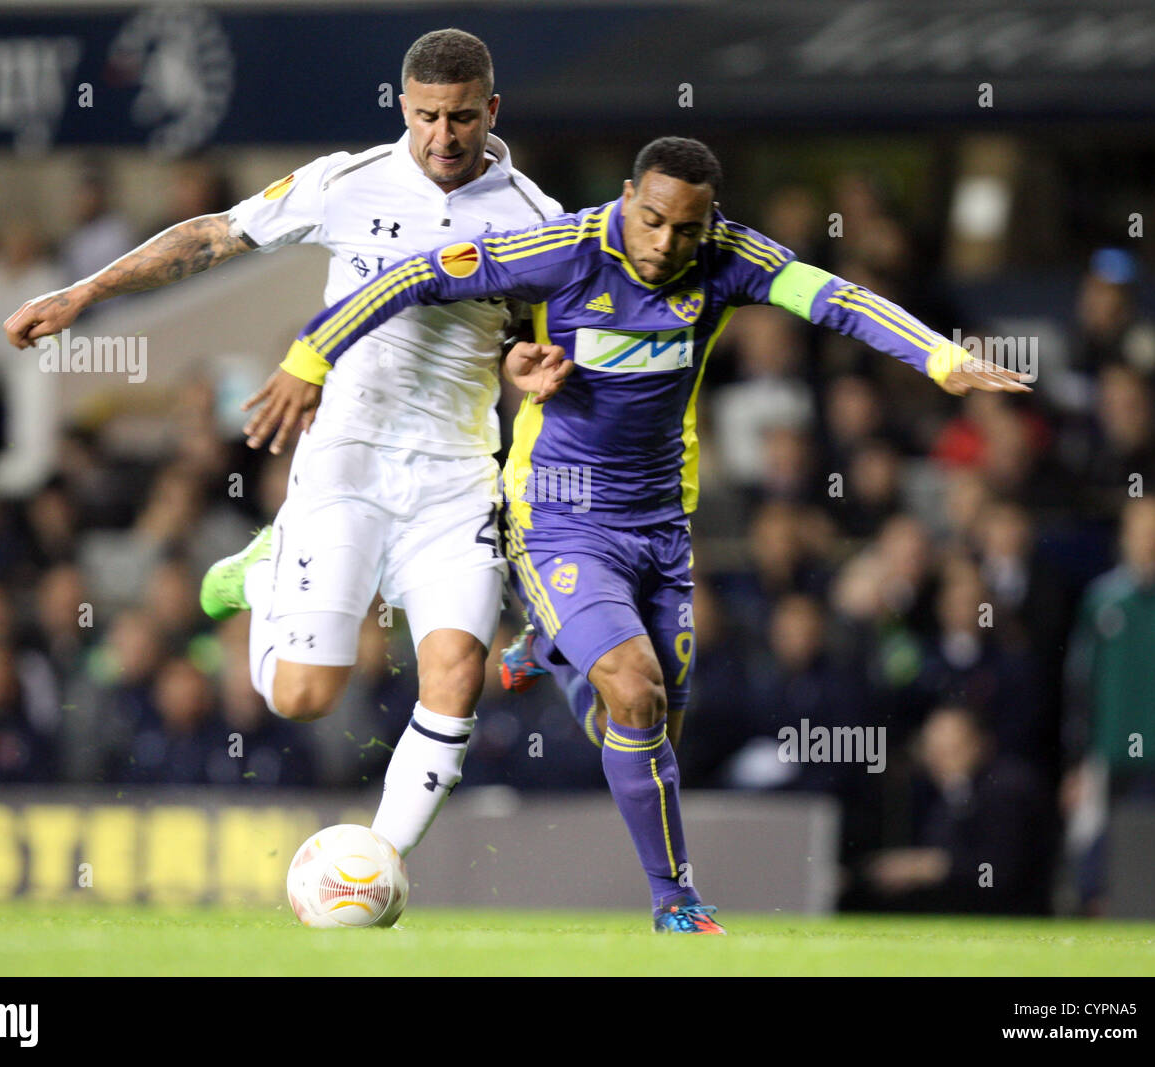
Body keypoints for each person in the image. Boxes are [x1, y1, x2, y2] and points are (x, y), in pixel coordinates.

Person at [247, 136, 1030, 932]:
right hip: (556, 512)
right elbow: (416, 274)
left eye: (684, 229)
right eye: (650, 219)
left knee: (649, 728)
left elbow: (835, 298)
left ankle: (548, 646)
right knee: (634, 687)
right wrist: (313, 354)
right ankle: (675, 900)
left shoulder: (732, 258)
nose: (663, 243)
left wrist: (933, 355)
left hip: (658, 522)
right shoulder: (563, 250)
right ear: (627, 196)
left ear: (709, 222)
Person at [3, 30, 567, 860]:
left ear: (492, 109)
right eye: (424, 118)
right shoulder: (347, 181)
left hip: (456, 476)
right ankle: (267, 571)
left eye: (459, 119)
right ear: (402, 107)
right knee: (303, 695)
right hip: (348, 458)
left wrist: (529, 366)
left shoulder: (541, 221)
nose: (441, 138)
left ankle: (374, 867)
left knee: (454, 676)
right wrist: (87, 290)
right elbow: (213, 236)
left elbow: (539, 348)